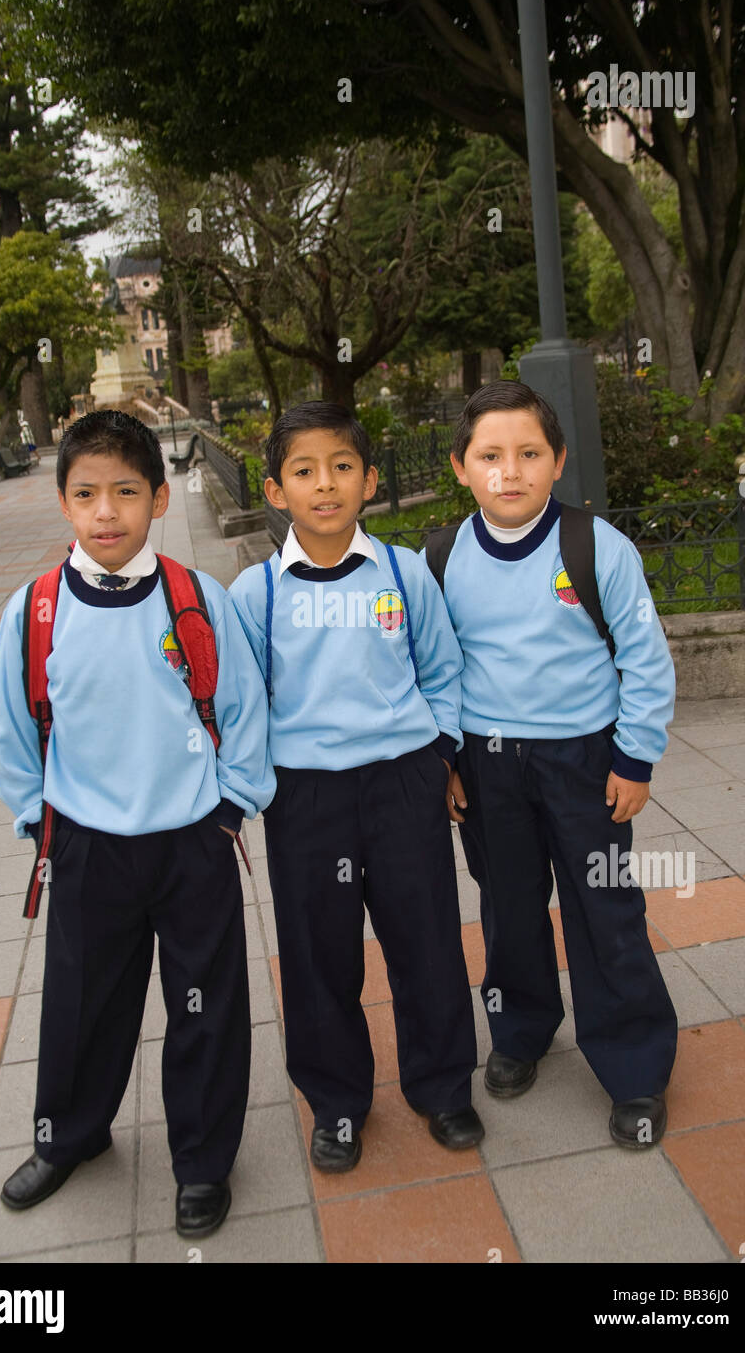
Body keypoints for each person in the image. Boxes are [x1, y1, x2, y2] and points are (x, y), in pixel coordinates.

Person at [0, 410, 274, 1237]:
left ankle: (204, 1162)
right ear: (64, 503)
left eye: (124, 492)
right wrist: (36, 824)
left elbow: (245, 712)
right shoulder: (36, 611)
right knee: (80, 1004)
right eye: (85, 494)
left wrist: (231, 807)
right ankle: (68, 1135)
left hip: (192, 841)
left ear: (155, 497)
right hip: (84, 843)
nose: (105, 512)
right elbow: (13, 725)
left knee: (205, 1007)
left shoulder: (195, 598)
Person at [228, 401, 482, 1173]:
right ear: (276, 490)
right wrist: (248, 796)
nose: (325, 485)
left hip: (404, 785)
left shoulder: (404, 573)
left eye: (342, 467)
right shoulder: (255, 596)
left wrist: (440, 755)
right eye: (304, 471)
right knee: (316, 956)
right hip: (305, 799)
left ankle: (442, 1087)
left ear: (370, 479)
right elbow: (241, 706)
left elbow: (442, 671)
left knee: (428, 939)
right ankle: (336, 1103)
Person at [432, 380, 677, 1148]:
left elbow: (645, 658)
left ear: (558, 461)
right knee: (507, 908)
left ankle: (635, 1067)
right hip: (487, 765)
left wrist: (634, 760)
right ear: (460, 467)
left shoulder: (596, 546)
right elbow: (430, 670)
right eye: (491, 456)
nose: (511, 471)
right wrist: (446, 761)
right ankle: (520, 1031)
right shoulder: (439, 557)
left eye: (529, 454)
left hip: (583, 761)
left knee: (604, 909)